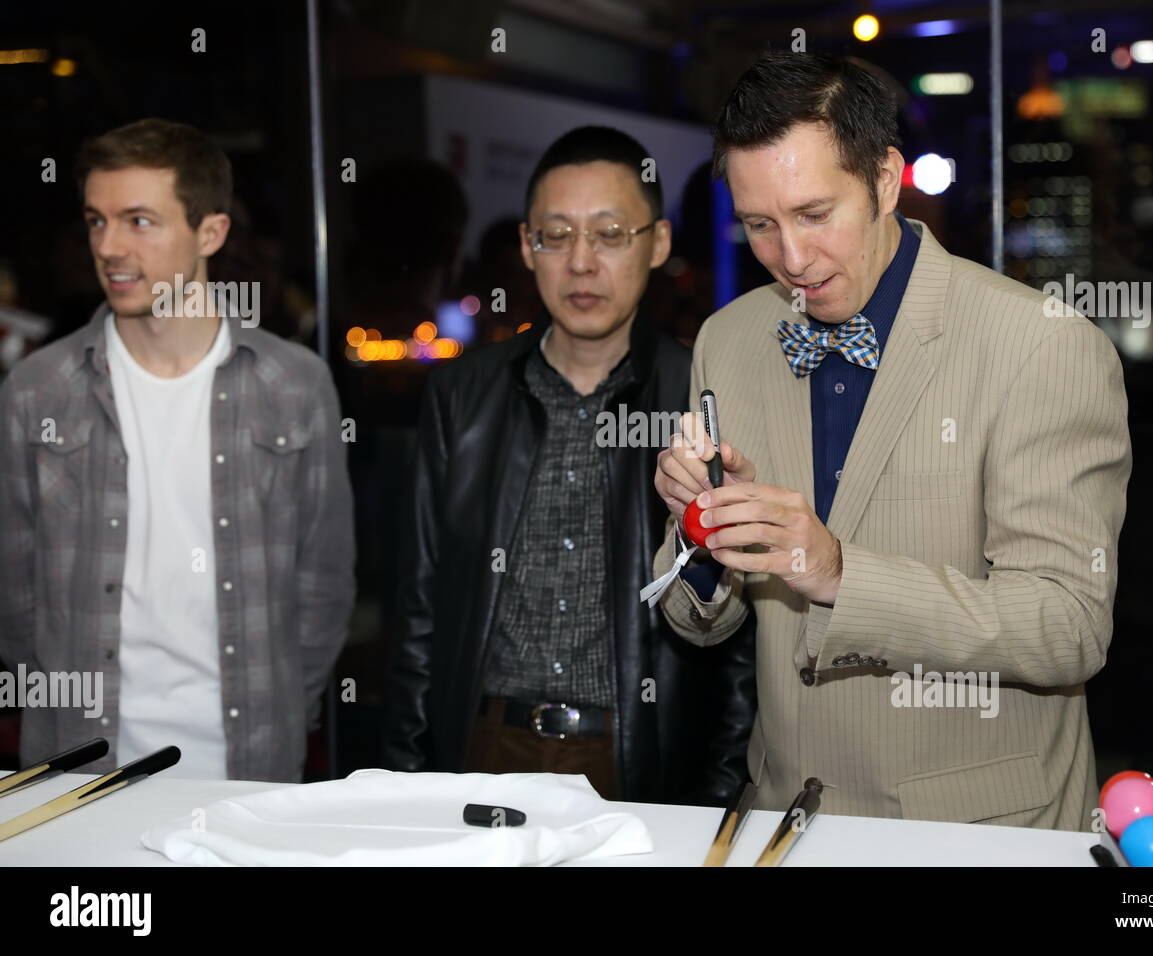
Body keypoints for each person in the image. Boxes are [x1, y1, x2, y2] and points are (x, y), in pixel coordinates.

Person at [652, 53, 1132, 829]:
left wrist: (839, 572)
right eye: (759, 225)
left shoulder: (1040, 345)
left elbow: (1067, 626)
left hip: (975, 829)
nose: (793, 259)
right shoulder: (728, 340)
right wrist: (700, 539)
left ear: (885, 179)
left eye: (814, 214)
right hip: (781, 817)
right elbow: (697, 619)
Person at [383, 126, 755, 804]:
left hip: (639, 760)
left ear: (659, 243)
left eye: (611, 234)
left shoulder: (700, 396)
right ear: (529, 246)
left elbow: (739, 643)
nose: (582, 263)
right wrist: (406, 784)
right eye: (557, 236)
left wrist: (720, 795)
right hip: (483, 751)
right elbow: (417, 609)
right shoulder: (463, 394)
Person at [0, 118, 355, 782]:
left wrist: (280, 708)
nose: (109, 246)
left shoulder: (293, 385)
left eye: (139, 221)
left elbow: (323, 586)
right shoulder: (38, 390)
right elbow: (14, 595)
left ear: (210, 233)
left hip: (246, 769)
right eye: (97, 220)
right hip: (81, 769)